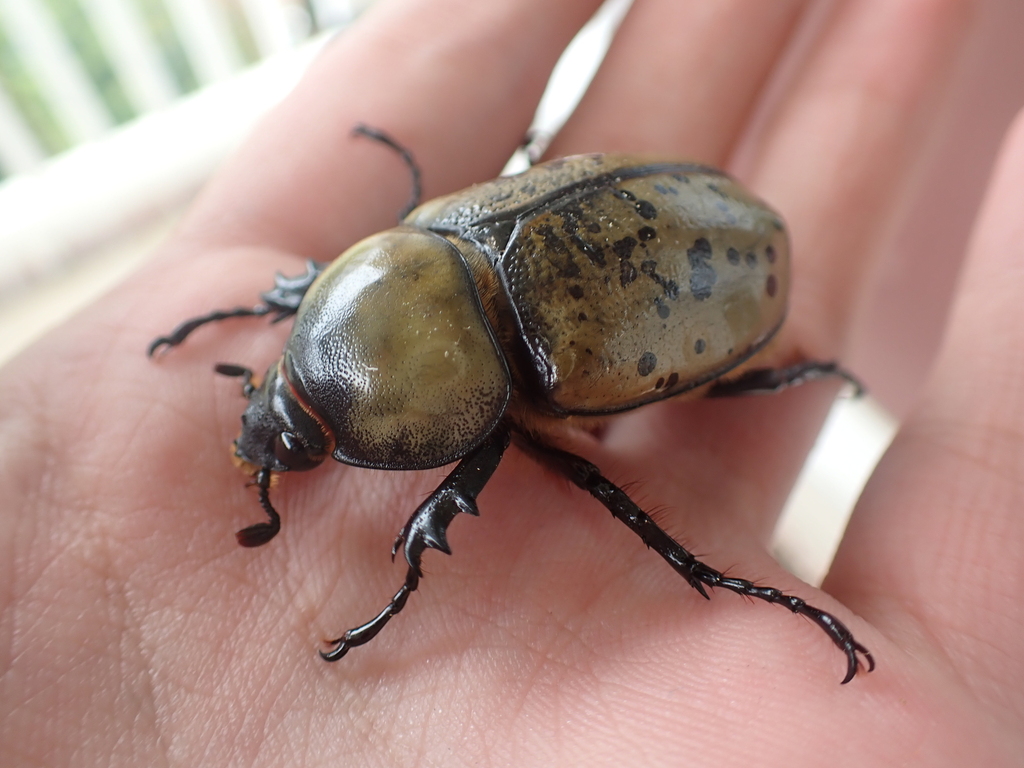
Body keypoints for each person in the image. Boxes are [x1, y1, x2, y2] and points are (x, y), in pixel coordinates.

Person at [2, 0, 1021, 764]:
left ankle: (711, 553)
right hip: (631, 227)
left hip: (724, 279)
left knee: (608, 467)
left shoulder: (497, 350)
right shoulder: (429, 232)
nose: (276, 413)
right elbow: (350, 287)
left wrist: (402, 571)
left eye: (297, 405)